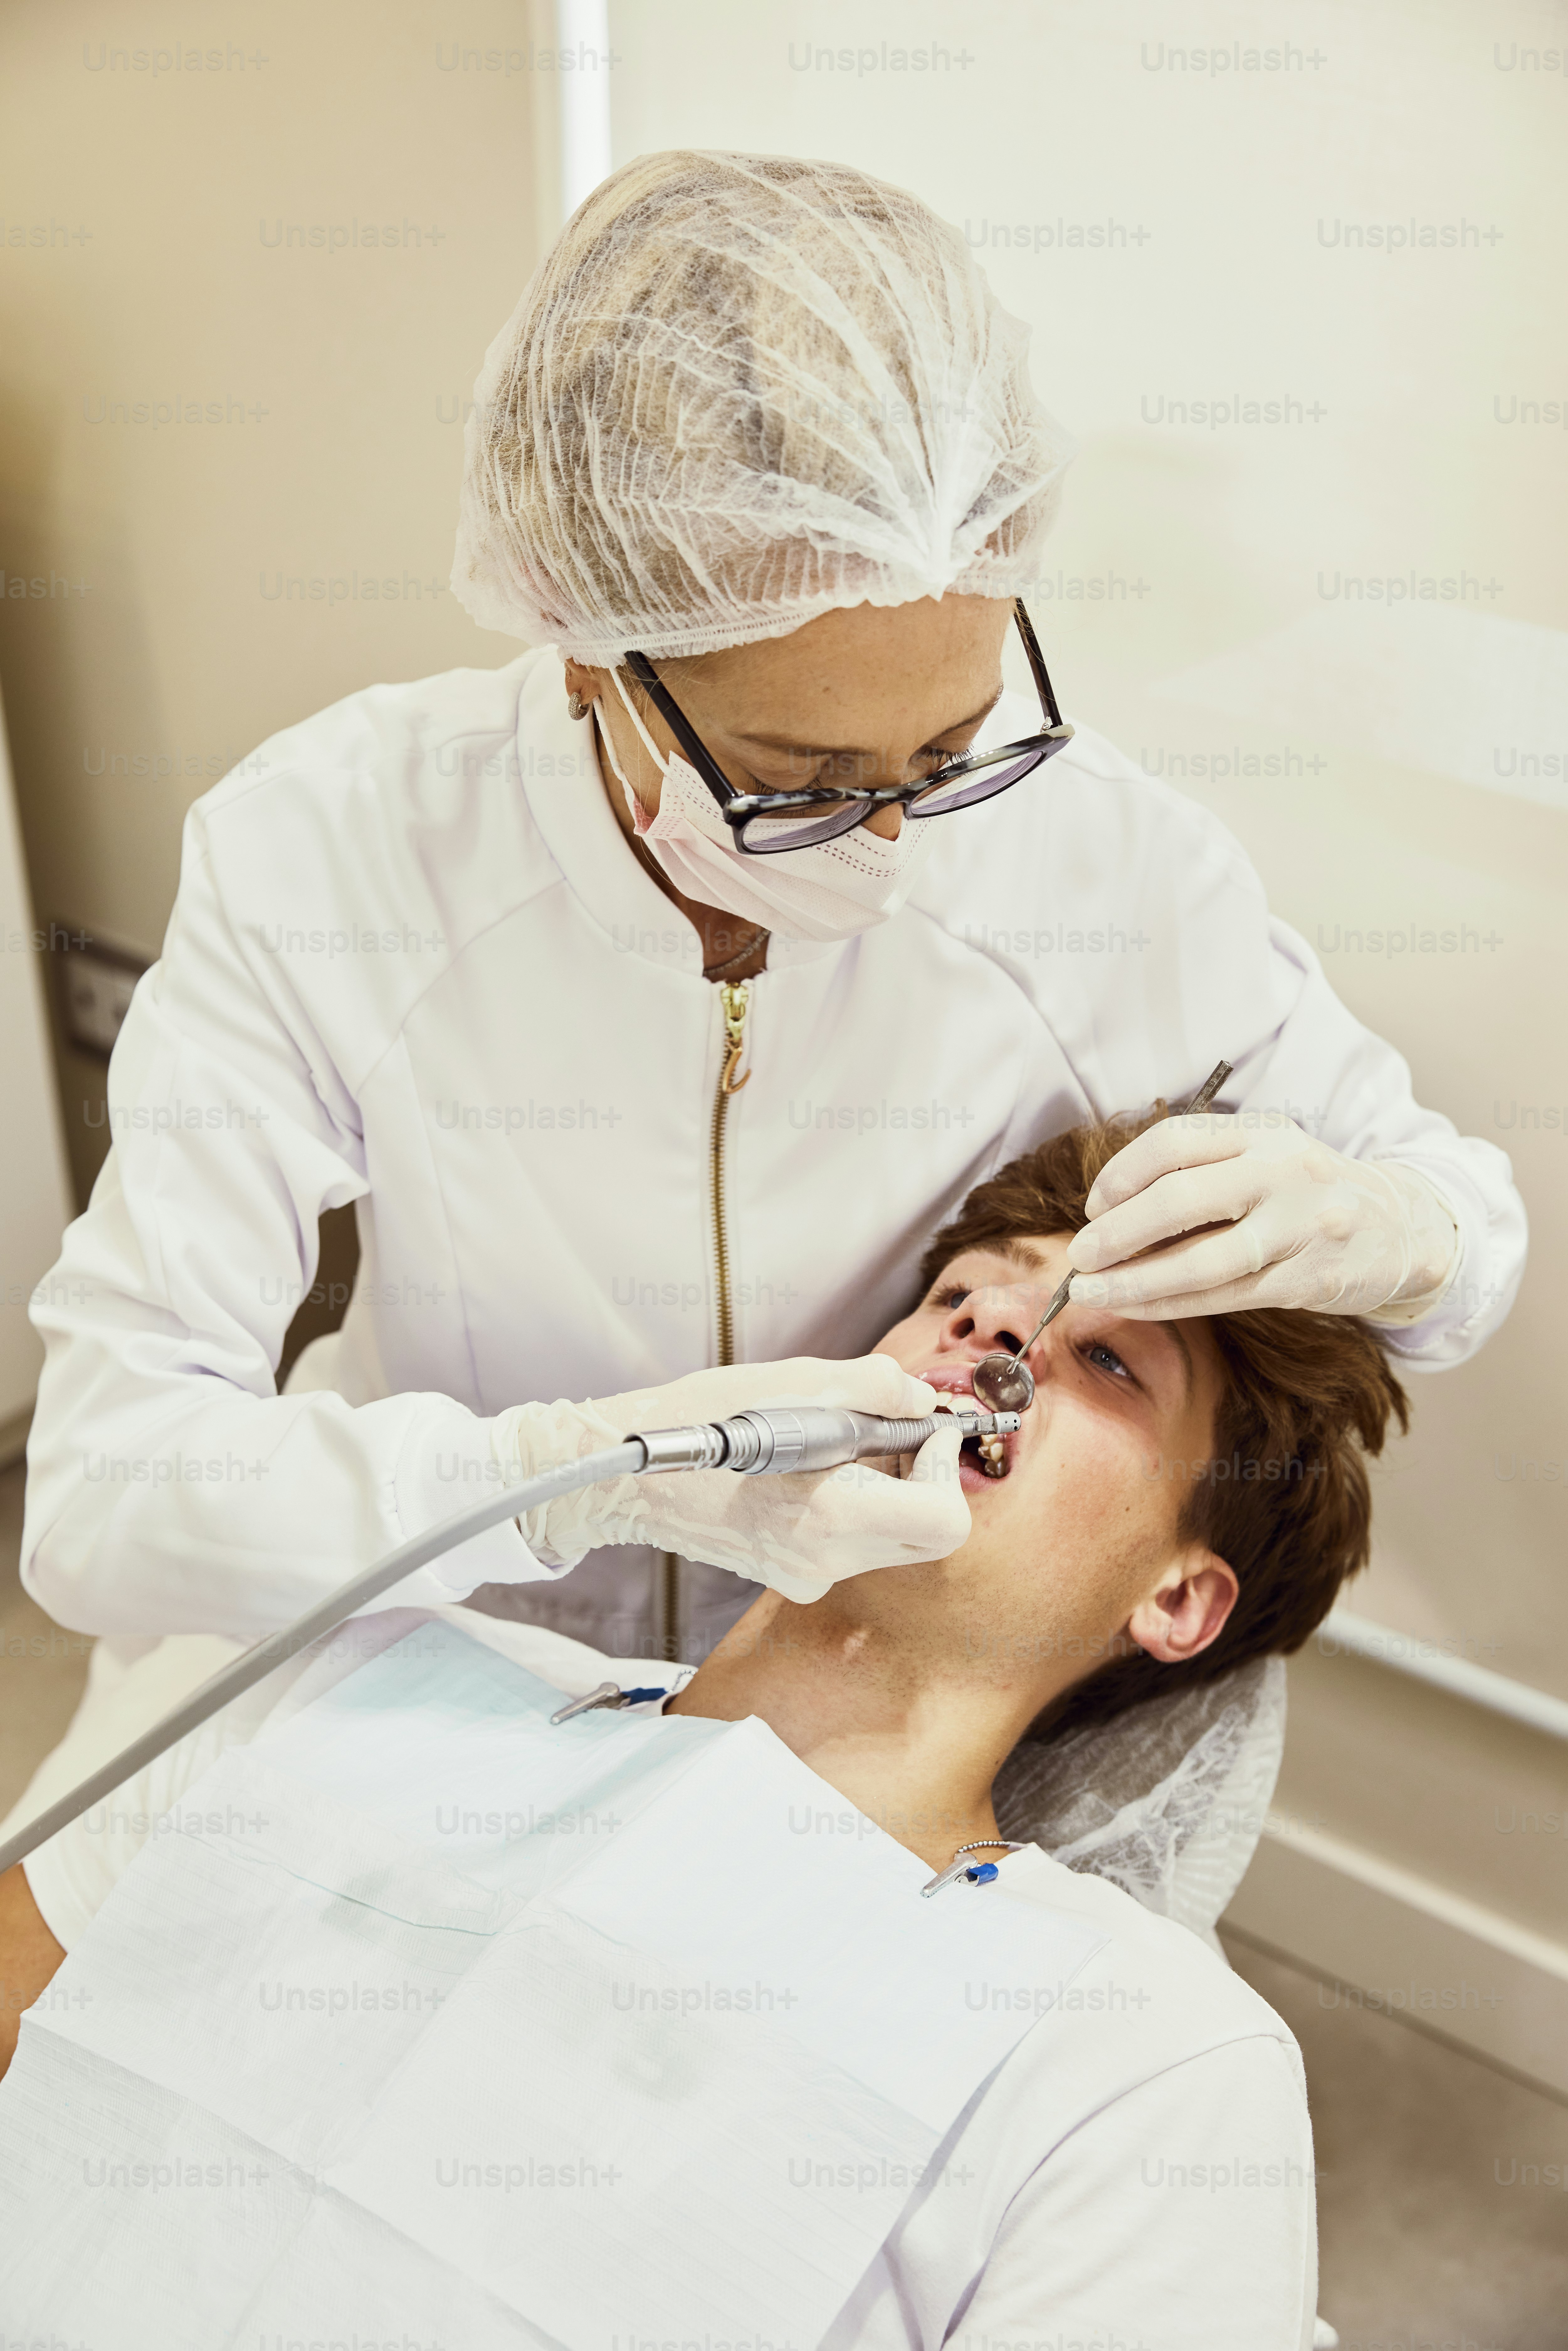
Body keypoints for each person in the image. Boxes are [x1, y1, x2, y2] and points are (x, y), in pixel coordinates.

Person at [20, 151, 1521, 1703]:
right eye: (797, 783)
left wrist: (1396, 1235)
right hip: (427, 1649)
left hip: (836, 1689)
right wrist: (576, 1477)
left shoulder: (1099, 865)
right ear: (582, 639)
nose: (884, 849)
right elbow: (105, 1495)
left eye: (945, 754)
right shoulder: (337, 847)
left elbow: (1464, 1235)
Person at [0, 1115, 1407, 2346]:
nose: (987, 1333)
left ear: (1178, 1598)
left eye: (1104, 1359)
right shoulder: (363, 1665)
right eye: (963, 1296)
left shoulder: (1142, 2057)